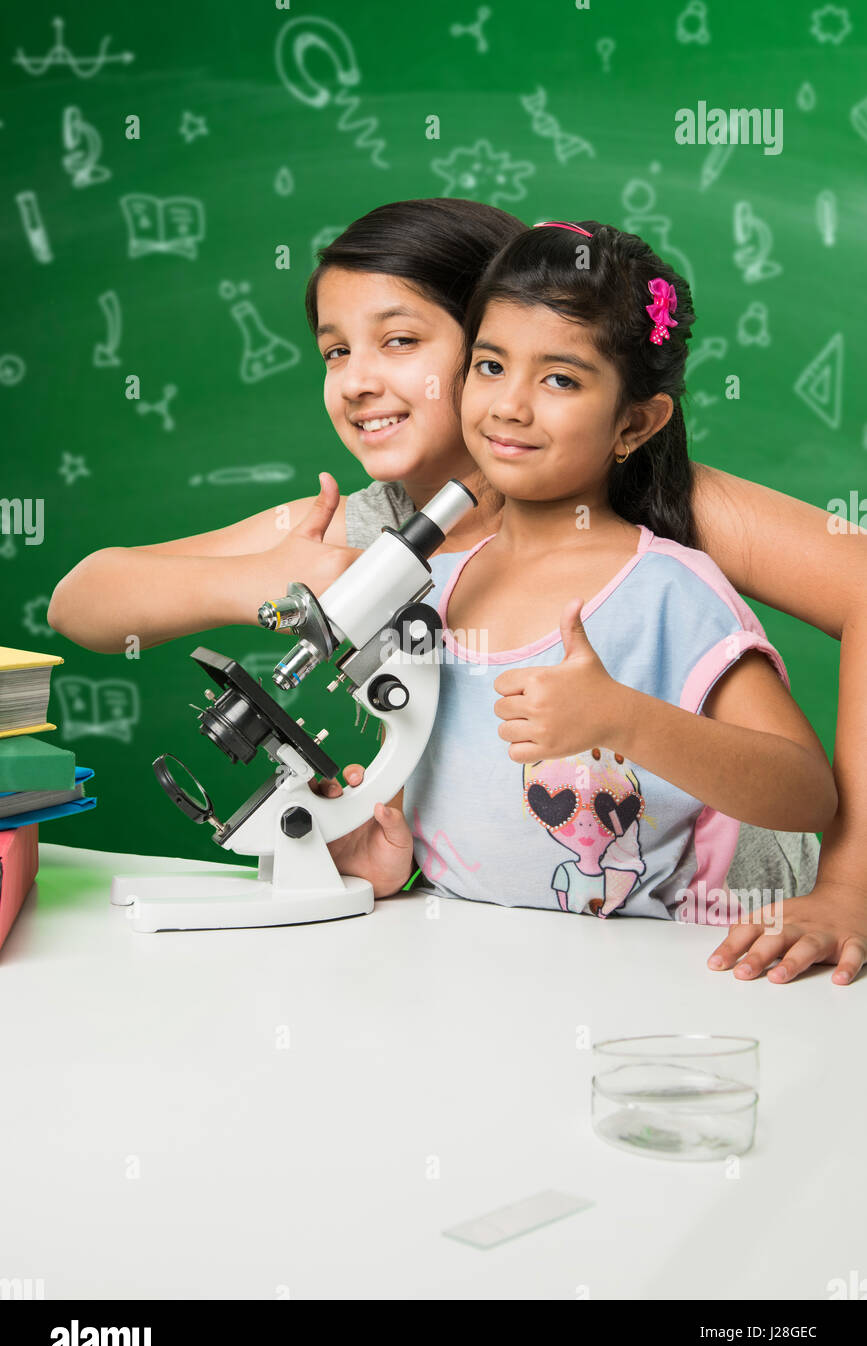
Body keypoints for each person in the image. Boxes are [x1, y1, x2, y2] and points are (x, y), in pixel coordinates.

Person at [46, 200, 867, 982]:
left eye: (399, 341)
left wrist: (848, 885)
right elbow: (80, 603)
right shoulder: (359, 532)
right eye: (335, 351)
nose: (359, 380)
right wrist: (256, 585)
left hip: (720, 940)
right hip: (513, 956)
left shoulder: (656, 522)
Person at [325, 219, 838, 935]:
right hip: (462, 984)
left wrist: (622, 718)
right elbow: (452, 816)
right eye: (490, 365)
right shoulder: (433, 591)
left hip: (641, 991)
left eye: (560, 378)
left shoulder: (667, 592)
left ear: (633, 424)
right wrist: (392, 857)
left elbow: (804, 794)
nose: (509, 404)